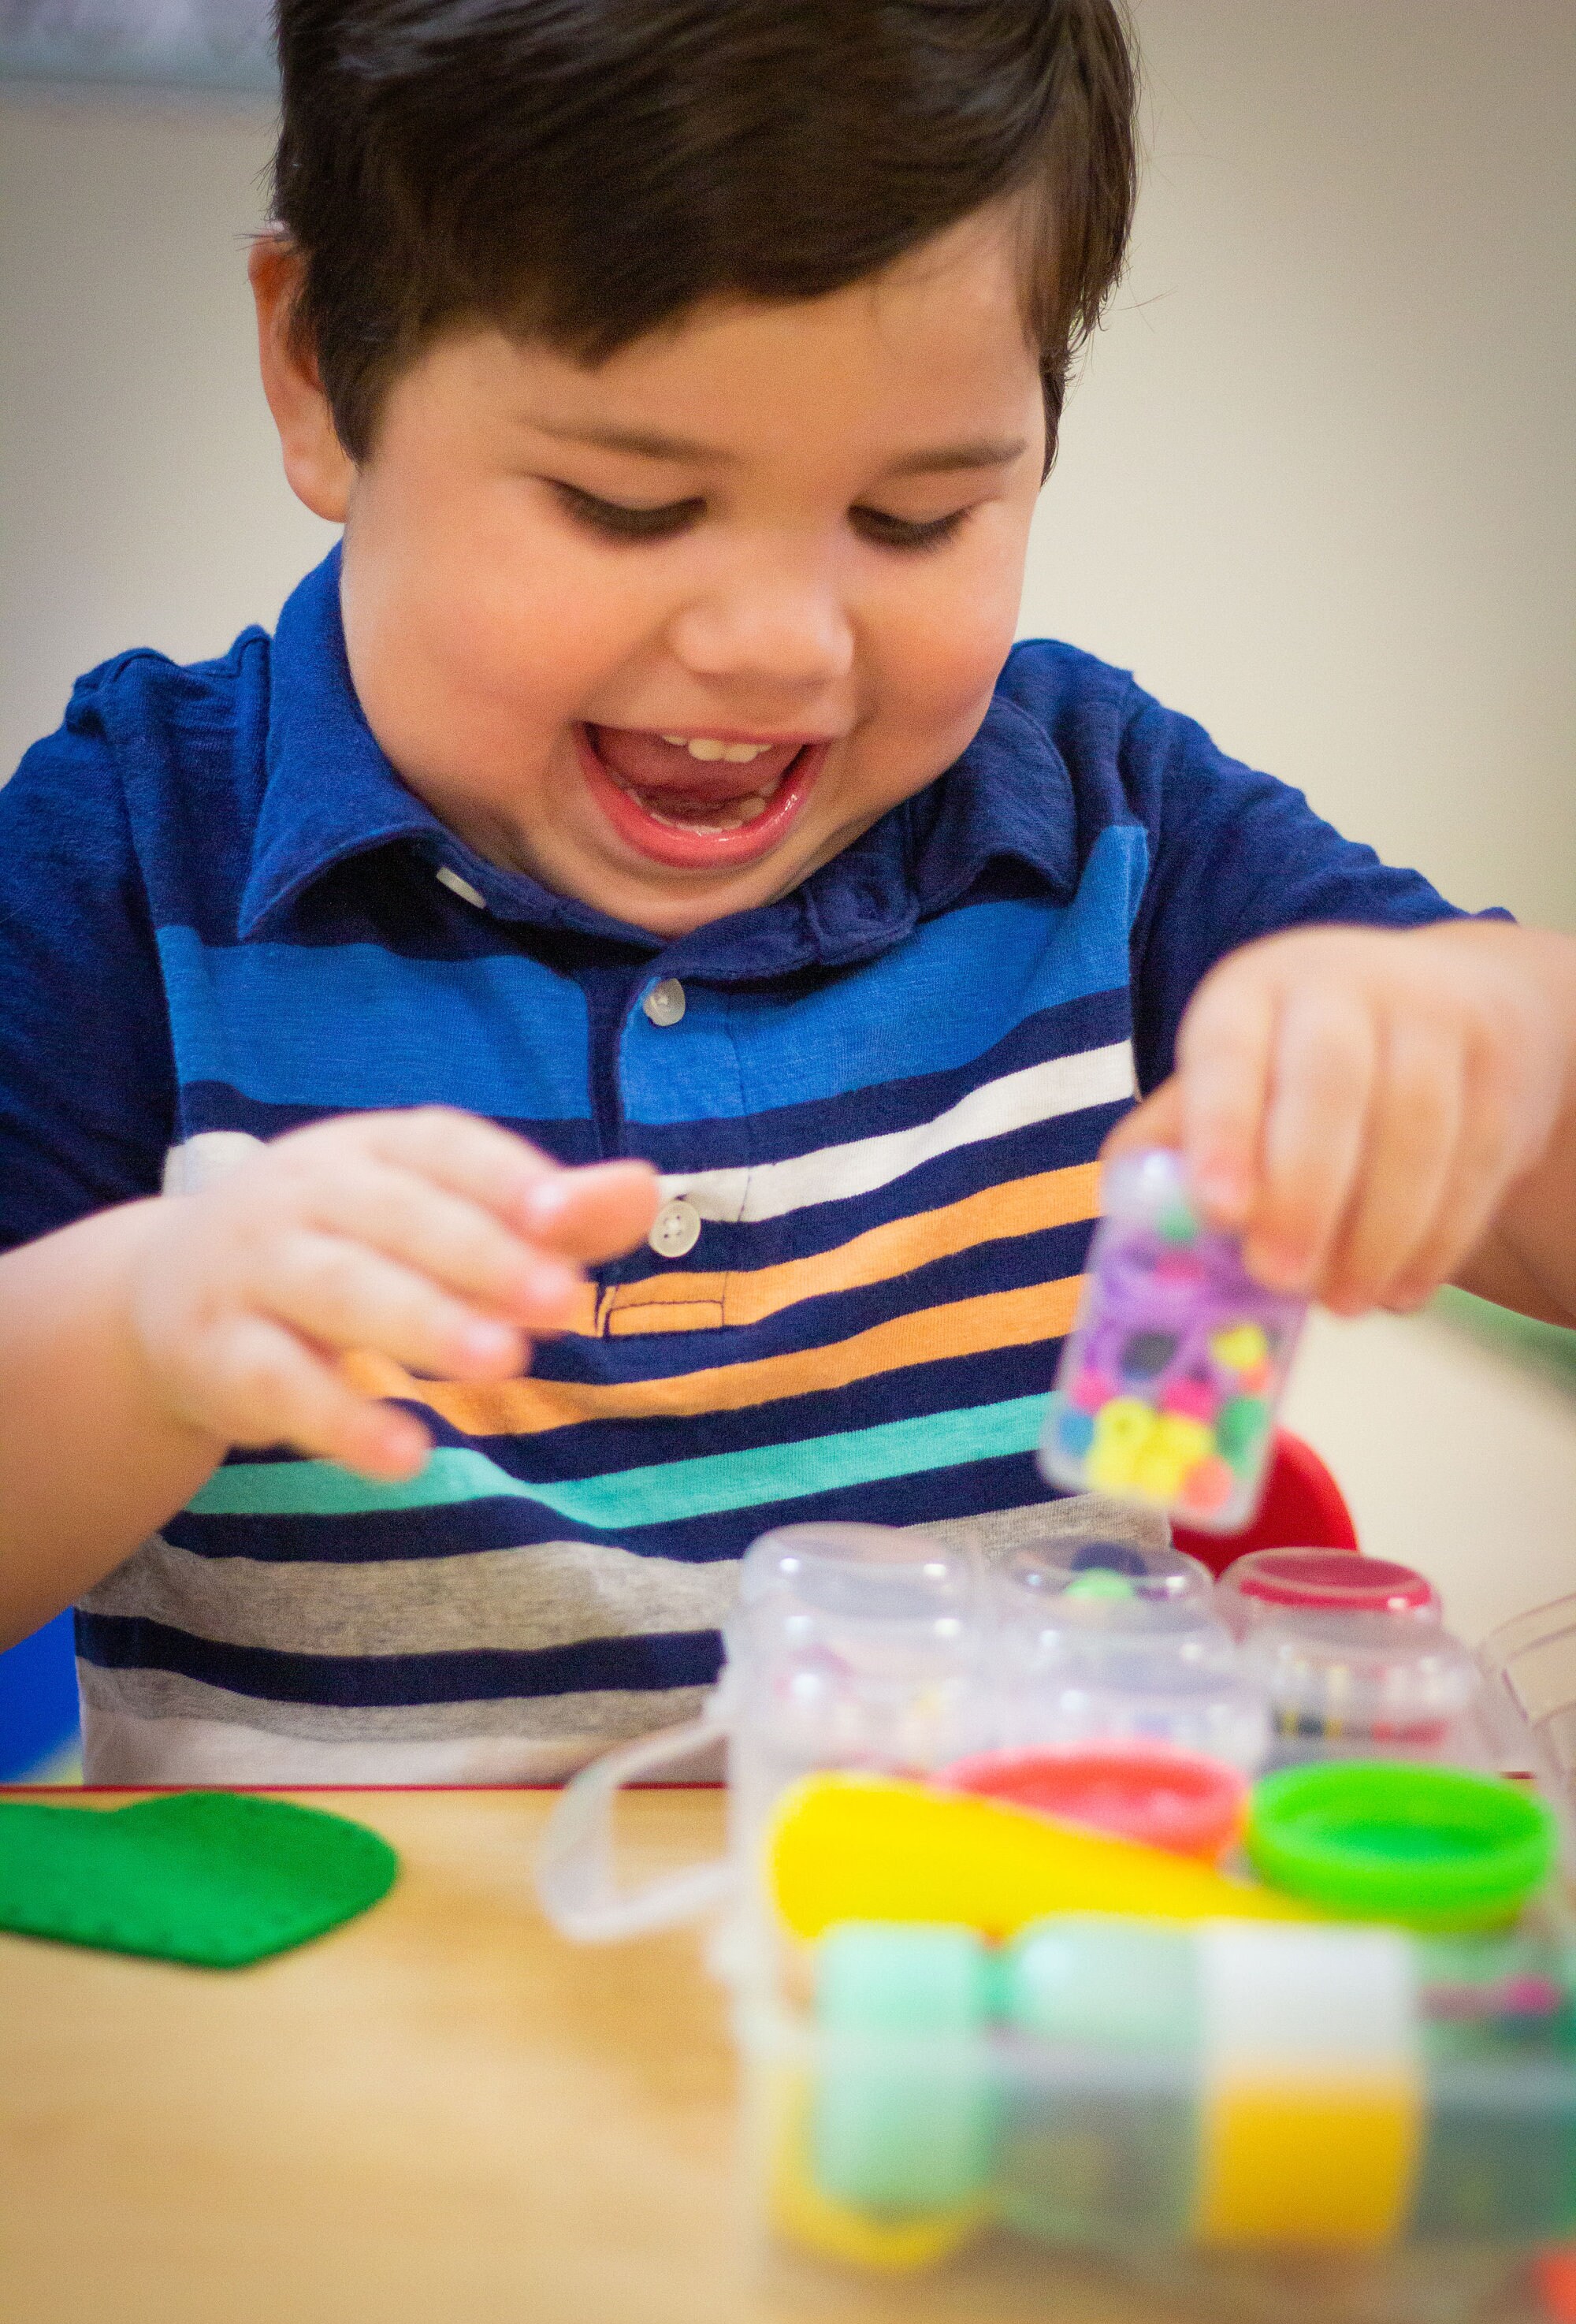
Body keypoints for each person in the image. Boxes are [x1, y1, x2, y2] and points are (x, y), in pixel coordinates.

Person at [0, 0, 1571, 1784]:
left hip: (989, 1938)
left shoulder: (1111, 829)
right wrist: (141, 1335)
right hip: (354, 1961)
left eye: (912, 521)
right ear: (317, 377)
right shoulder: (128, 853)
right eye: (627, 505)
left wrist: (1501, 1042)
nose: (778, 646)